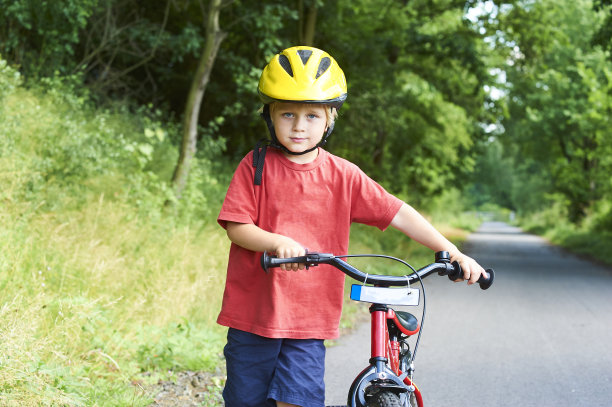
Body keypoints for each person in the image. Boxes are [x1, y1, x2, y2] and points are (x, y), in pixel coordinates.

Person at [216, 45, 487, 407]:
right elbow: (237, 226)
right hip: (252, 319)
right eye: (288, 114)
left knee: (298, 401)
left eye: (312, 115)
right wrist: (276, 242)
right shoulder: (256, 165)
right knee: (244, 401)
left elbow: (398, 213)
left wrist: (452, 251)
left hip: (308, 323)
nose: (299, 126)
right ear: (270, 115)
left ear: (330, 119)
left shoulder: (342, 175)